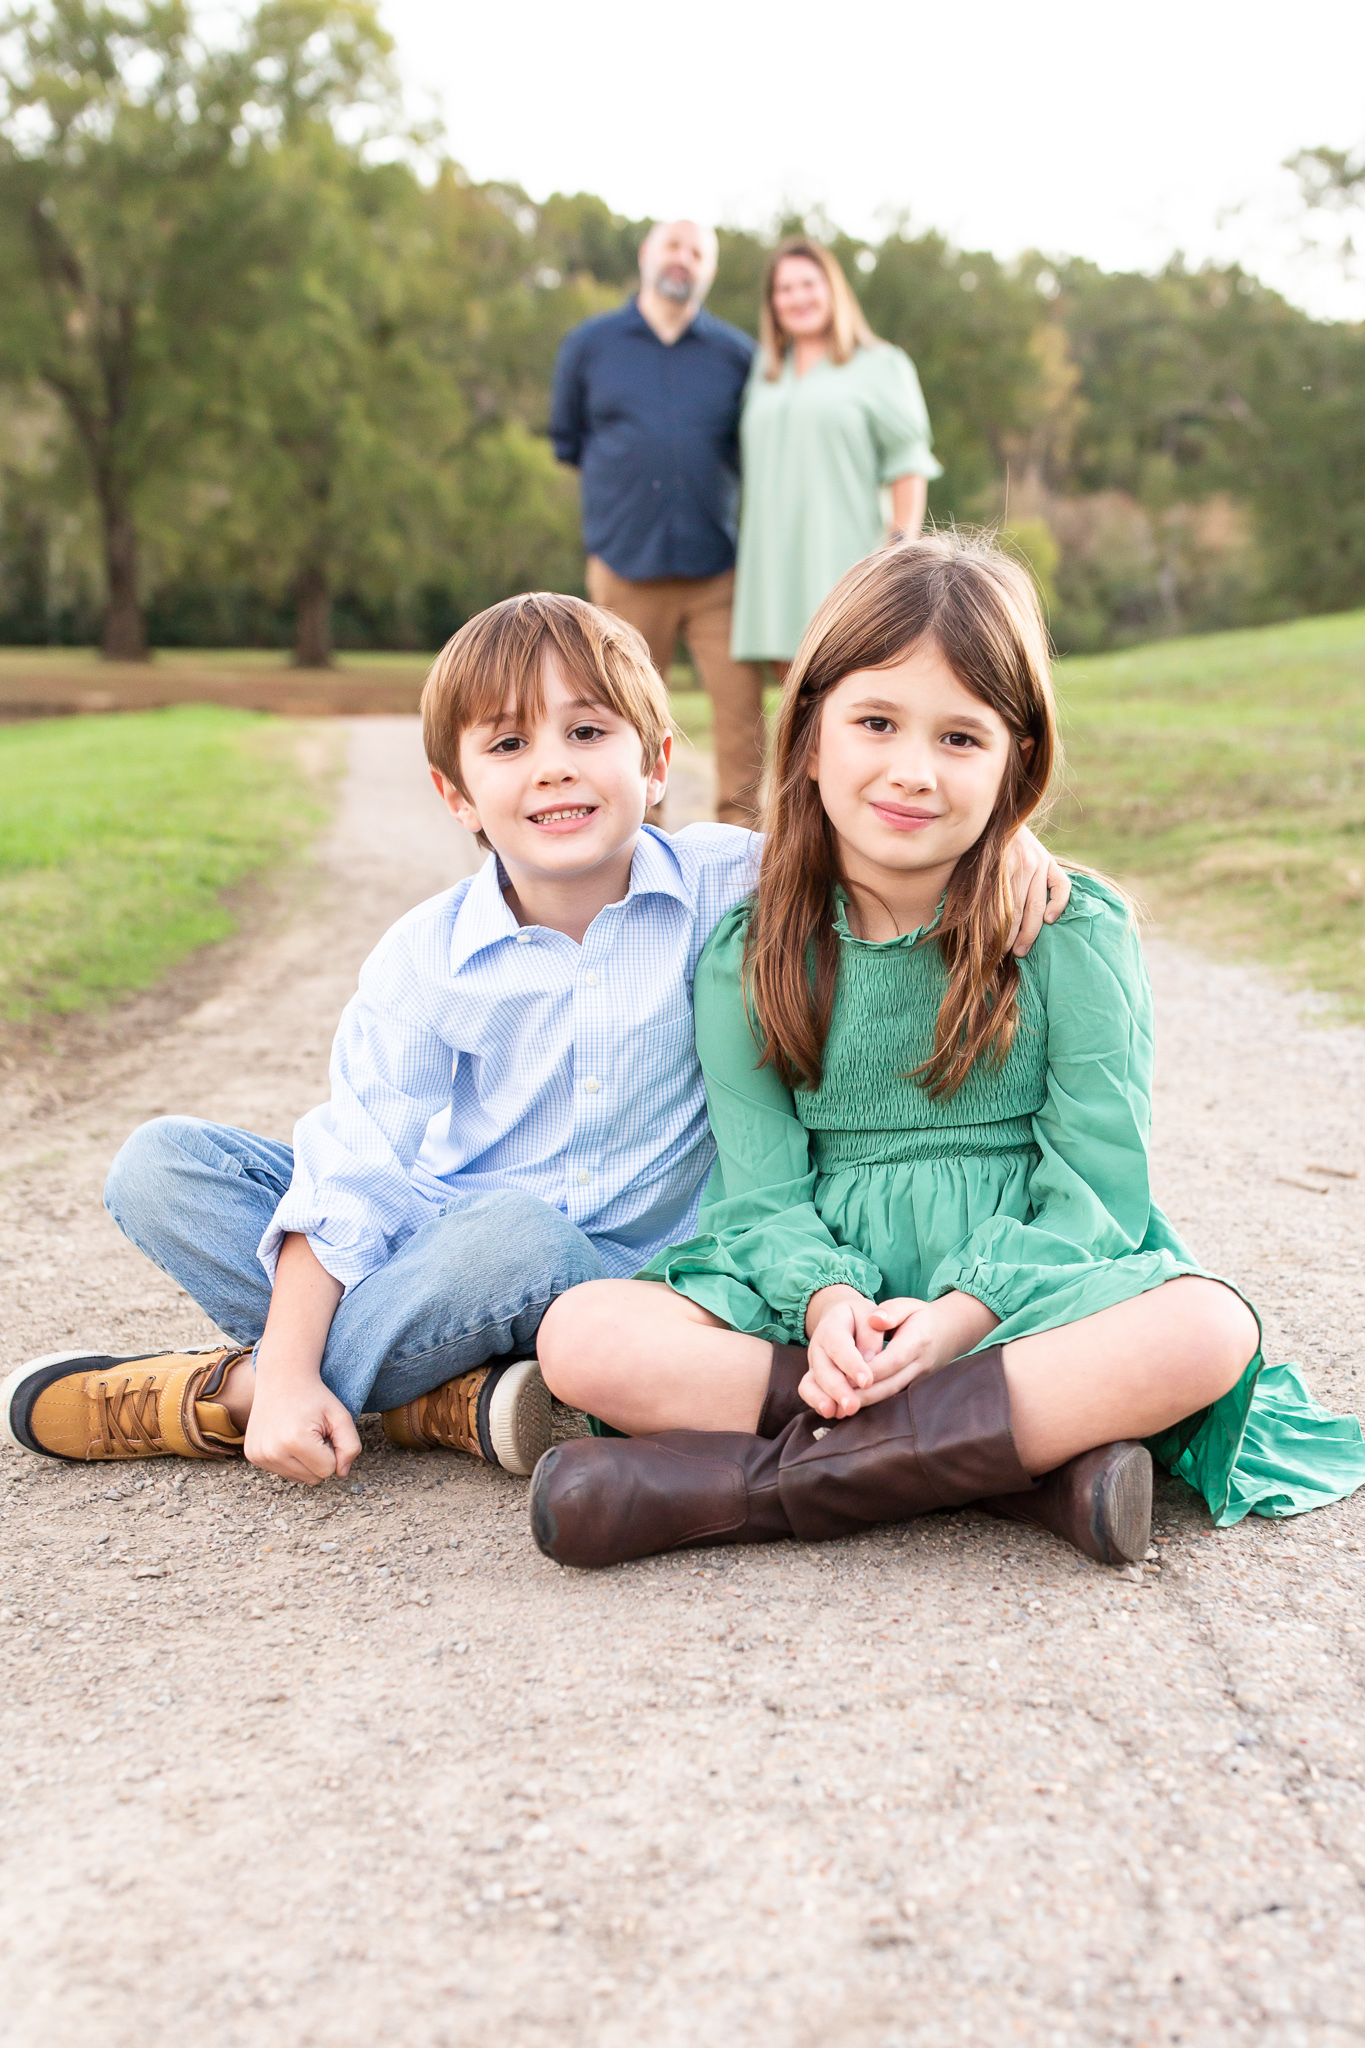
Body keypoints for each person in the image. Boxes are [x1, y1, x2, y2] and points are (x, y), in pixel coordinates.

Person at [0, 588, 1071, 1488]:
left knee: (509, 1233)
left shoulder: (730, 882)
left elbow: (890, 826)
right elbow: (357, 1164)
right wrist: (292, 1359)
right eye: (510, 743)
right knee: (164, 1166)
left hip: (608, 1282)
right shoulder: (428, 958)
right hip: (438, 1236)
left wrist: (1013, 846)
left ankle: (221, 1393)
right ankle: (426, 1396)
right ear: (456, 794)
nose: (554, 766)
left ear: (655, 762)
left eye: (588, 732)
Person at [531, 536, 1365, 1571]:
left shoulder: (1073, 934)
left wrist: (963, 1317)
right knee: (582, 1333)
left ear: (1019, 757)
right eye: (876, 721)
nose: (913, 771)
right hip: (819, 1321)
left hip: (1028, 1295)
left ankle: (744, 1488)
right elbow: (759, 1199)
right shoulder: (747, 958)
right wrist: (831, 1304)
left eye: (962, 738)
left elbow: (1097, 1190)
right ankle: (1022, 1469)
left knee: (1207, 1329)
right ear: (810, 732)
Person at [549, 220, 768, 826]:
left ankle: (743, 872)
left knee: (741, 723)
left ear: (710, 270)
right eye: (673, 246)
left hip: (717, 572)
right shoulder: (590, 346)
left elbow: (753, 452)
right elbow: (567, 441)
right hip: (625, 567)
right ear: (647, 255)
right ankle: (637, 859)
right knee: (626, 723)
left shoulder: (737, 355)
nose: (684, 260)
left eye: (698, 252)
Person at [730, 236, 941, 677]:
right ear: (772, 302)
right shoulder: (766, 370)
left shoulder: (881, 364)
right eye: (784, 289)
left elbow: (909, 462)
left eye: (809, 283)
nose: (797, 297)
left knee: (842, 687)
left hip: (844, 558)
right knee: (794, 701)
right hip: (774, 559)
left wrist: (900, 550)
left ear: (833, 290)